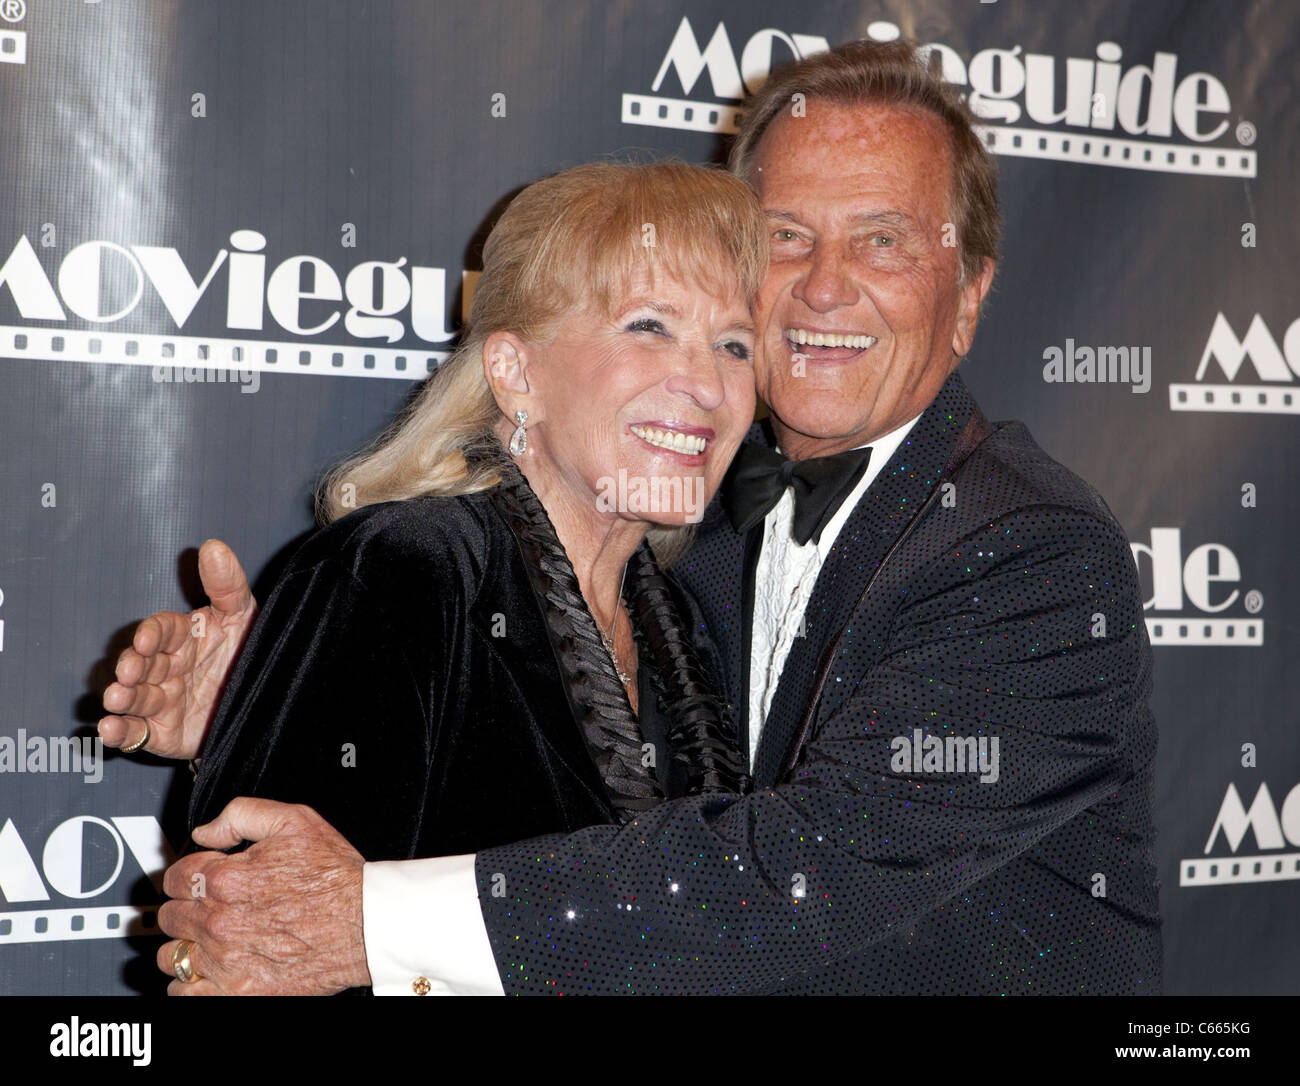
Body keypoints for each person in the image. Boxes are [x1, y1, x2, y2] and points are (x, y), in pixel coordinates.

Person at [101, 39, 1161, 995]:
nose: (825, 288)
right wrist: (281, 676)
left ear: (968, 296)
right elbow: (255, 894)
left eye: (883, 241)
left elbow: (812, 863)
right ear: (513, 369)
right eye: (786, 238)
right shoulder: (672, 554)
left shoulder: (1027, 555)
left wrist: (368, 921)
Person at [99, 159, 769, 992]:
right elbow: (253, 937)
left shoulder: (683, 624)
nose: (705, 384)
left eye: (733, 344)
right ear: (516, 373)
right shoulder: (409, 571)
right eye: (649, 327)